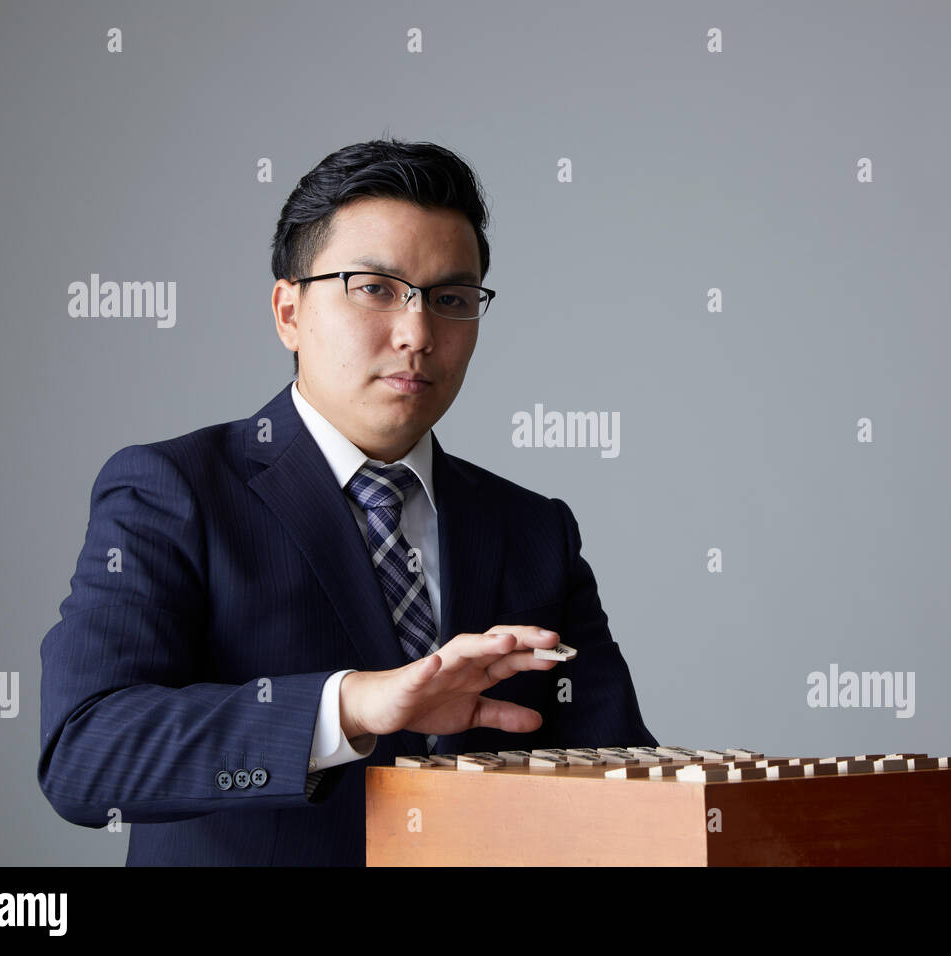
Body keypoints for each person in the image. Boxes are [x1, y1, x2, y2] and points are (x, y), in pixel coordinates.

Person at [37, 138, 659, 865]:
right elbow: (86, 755)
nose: (418, 334)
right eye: (375, 288)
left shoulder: (533, 529)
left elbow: (620, 782)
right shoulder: (173, 492)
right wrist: (351, 707)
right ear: (288, 311)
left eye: (451, 299)